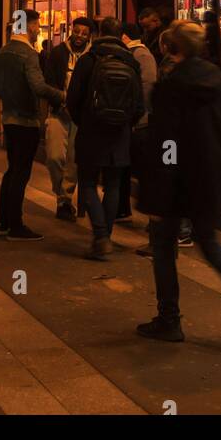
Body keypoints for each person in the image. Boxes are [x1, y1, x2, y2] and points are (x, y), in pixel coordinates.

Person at [135, 20, 221, 349]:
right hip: (210, 177)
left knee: (162, 245)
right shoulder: (218, 79)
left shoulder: (170, 88)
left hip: (176, 182)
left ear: (175, 49)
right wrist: (216, 151)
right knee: (210, 244)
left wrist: (159, 191)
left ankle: (168, 319)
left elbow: (166, 145)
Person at [66, 16, 144, 260]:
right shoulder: (131, 62)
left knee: (87, 182)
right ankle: (106, 236)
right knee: (113, 185)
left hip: (91, 131)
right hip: (119, 134)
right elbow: (139, 105)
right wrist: (125, 124)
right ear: (121, 35)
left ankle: (100, 236)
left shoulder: (88, 60)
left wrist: (84, 121)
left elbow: (72, 100)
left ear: (98, 33)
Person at [0, 22, 63, 241]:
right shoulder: (29, 54)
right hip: (26, 121)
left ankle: (3, 221)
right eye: (36, 27)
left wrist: (8, 99)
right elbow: (38, 86)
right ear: (29, 29)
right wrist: (60, 96)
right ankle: (15, 225)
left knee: (12, 170)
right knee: (21, 173)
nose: (38, 31)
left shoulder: (3, 52)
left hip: (9, 119)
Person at [42, 16, 92, 220]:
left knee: (73, 160)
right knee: (54, 157)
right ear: (72, 30)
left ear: (90, 36)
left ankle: (64, 200)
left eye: (84, 33)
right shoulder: (57, 53)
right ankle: (60, 192)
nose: (79, 36)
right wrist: (60, 102)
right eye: (77, 31)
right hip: (58, 112)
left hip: (79, 117)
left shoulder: (92, 57)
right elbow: (49, 82)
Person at [113, 21, 158, 224]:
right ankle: (121, 209)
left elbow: (146, 89)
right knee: (123, 165)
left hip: (139, 123)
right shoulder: (137, 54)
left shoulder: (141, 55)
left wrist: (136, 115)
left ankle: (155, 219)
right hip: (132, 121)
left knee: (141, 168)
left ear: (124, 37)